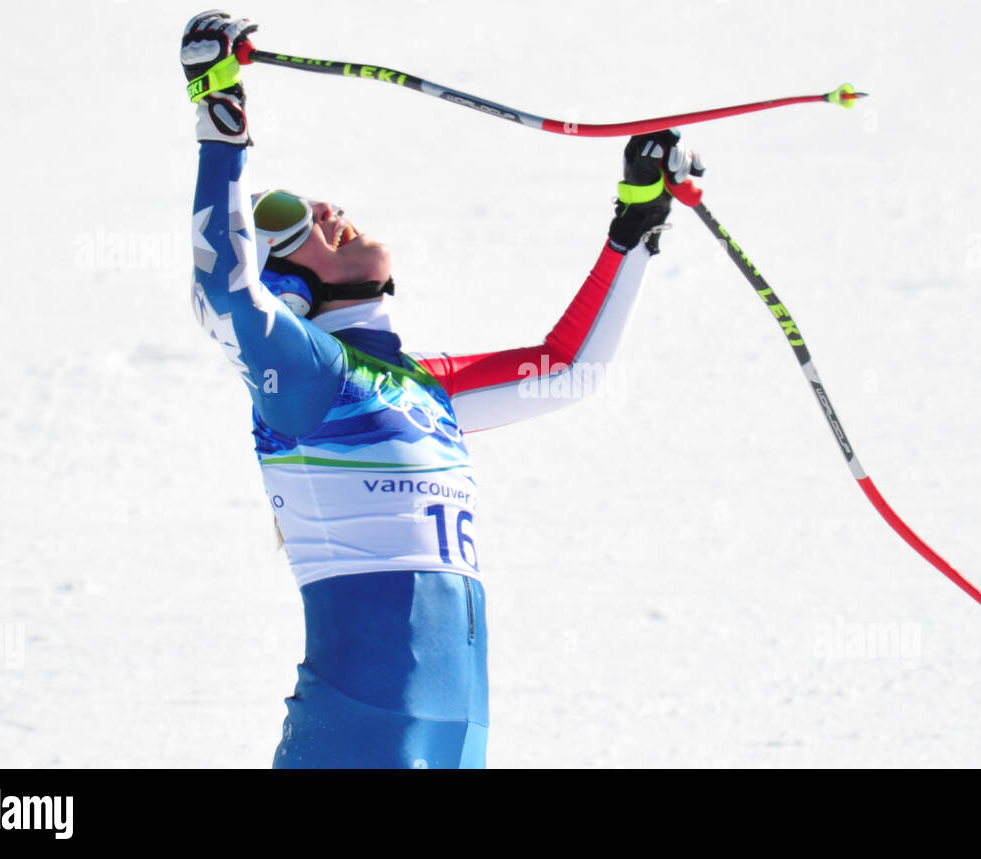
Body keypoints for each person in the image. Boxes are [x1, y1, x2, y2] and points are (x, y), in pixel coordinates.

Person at [181, 10, 703, 768]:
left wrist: (636, 220)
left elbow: (569, 369)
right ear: (286, 287)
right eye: (286, 216)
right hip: (360, 735)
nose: (324, 209)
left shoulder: (424, 387)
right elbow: (223, 291)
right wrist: (219, 119)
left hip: (454, 736)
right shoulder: (308, 381)